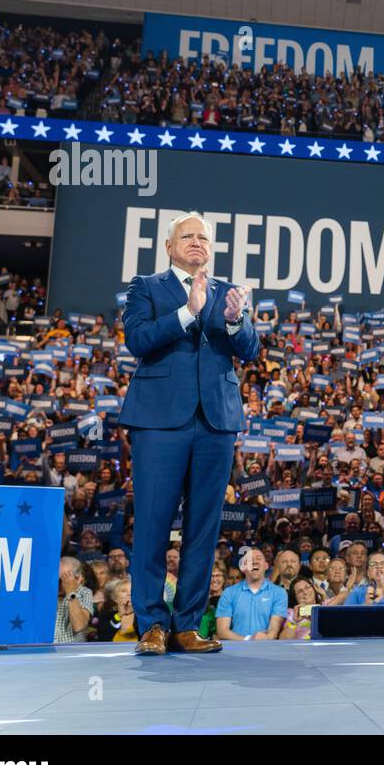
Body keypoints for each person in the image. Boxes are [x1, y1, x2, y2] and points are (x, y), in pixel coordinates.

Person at [120, 211, 259, 655]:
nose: (197, 242)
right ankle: (152, 626)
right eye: (188, 236)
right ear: (169, 245)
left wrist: (237, 321)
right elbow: (137, 340)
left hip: (216, 422)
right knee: (154, 526)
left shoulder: (227, 292)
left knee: (203, 527)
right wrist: (187, 312)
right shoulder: (147, 286)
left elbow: (250, 350)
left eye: (204, 237)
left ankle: (186, 626)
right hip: (159, 421)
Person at [215, 548, 288, 640]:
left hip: (266, 648)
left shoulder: (279, 593)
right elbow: (222, 631)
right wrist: (248, 640)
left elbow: (273, 630)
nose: (255, 562)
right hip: (236, 650)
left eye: (259, 558)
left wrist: (265, 639)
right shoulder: (229, 593)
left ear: (266, 565)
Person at [55, 556, 94, 643]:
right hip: (46, 648)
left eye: (64, 579)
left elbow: (79, 626)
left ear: (78, 578)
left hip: (71, 649)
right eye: (56, 580)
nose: (59, 584)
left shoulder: (85, 592)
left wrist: (70, 592)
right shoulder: (45, 592)